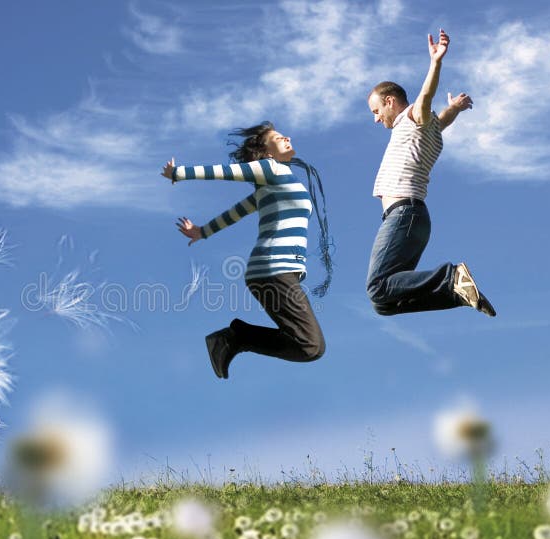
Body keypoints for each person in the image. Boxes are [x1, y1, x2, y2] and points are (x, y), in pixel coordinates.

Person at [161, 123, 331, 379]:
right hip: (273, 269)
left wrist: (202, 231)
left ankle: (237, 337)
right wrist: (179, 173)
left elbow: (235, 213)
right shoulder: (270, 168)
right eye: (277, 137)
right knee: (311, 346)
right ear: (267, 153)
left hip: (273, 272)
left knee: (310, 346)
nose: (287, 137)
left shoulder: (272, 184)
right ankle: (235, 337)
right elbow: (226, 172)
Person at [366, 29, 496, 317]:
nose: (376, 119)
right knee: (383, 303)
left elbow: (425, 97)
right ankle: (457, 293)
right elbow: (441, 120)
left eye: (376, 111)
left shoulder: (412, 116)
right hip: (413, 219)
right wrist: (455, 108)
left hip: (404, 214)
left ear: (390, 101)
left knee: (376, 287)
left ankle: (450, 277)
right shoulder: (428, 127)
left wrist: (436, 62)